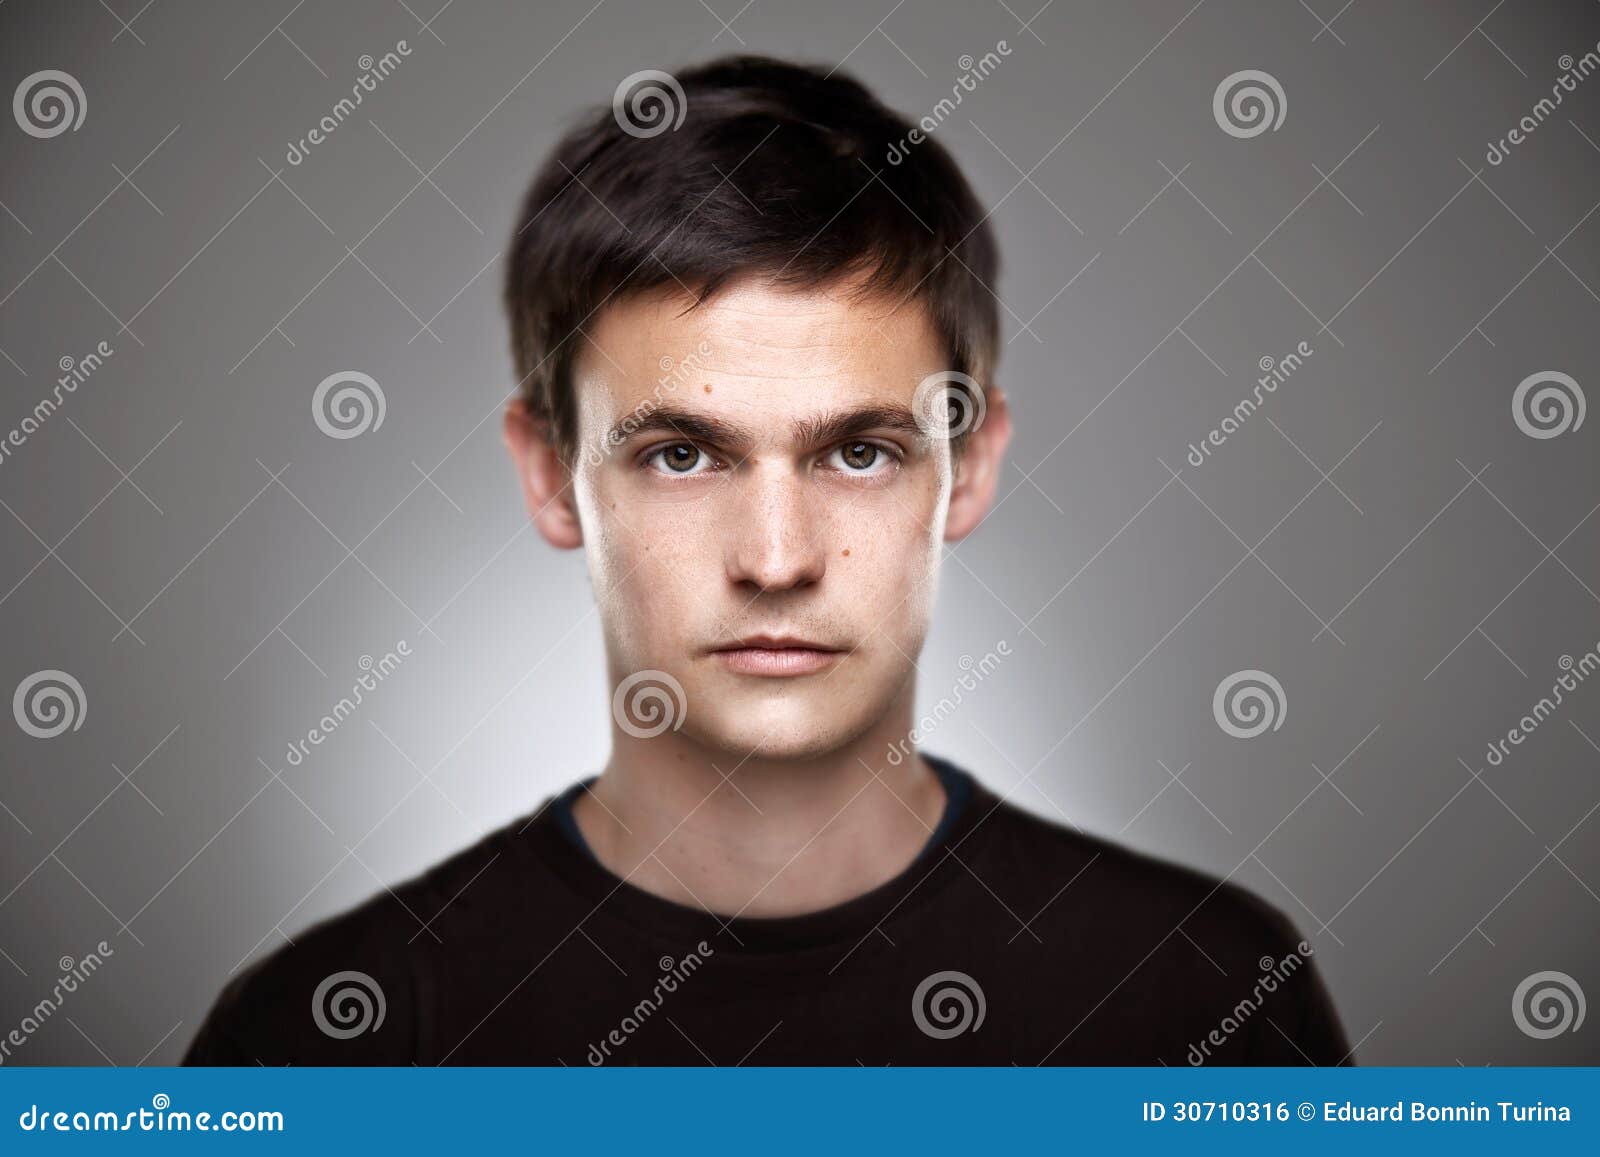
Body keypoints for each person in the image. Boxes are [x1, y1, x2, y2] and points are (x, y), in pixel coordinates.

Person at [184, 55, 1349, 1066]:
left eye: (859, 451)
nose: (778, 558)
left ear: (969, 464)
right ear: (548, 471)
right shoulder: (327, 1041)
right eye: (683, 454)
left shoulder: (1206, 996)